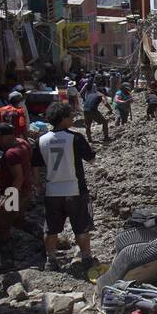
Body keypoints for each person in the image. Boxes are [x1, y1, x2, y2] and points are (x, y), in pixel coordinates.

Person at [31, 102, 97, 270]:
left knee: (51, 228)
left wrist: (38, 186)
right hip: (75, 190)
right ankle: (87, 259)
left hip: (52, 191)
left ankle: (51, 260)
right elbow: (91, 159)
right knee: (81, 227)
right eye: (71, 116)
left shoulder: (41, 140)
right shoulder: (75, 138)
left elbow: (36, 167)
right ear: (64, 119)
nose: (73, 118)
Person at [0, 122, 38, 257]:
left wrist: (7, 199)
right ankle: (47, 238)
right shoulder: (23, 143)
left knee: (1, 224)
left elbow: (18, 177)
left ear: (4, 137)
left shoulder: (11, 153)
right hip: (24, 191)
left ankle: (6, 258)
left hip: (15, 192)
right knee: (17, 220)